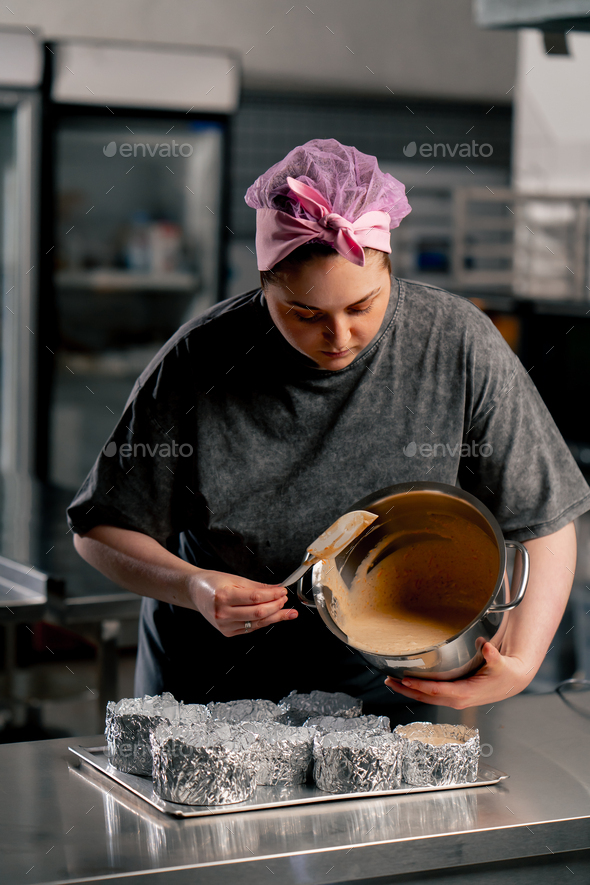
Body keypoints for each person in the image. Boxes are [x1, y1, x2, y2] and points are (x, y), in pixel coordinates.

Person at [67, 138, 589, 717]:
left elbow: (543, 516)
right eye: (305, 315)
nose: (339, 337)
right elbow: (99, 529)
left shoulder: (456, 343)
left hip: (385, 676)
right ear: (265, 286)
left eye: (362, 306)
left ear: (390, 271)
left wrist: (524, 658)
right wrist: (193, 586)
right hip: (213, 685)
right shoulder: (199, 362)